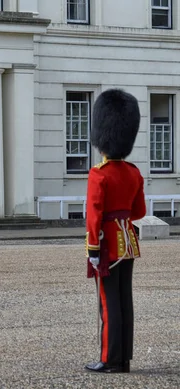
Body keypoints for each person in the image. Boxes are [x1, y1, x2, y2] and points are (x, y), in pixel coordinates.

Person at [84, 89, 146, 374]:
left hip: (107, 243)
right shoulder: (133, 172)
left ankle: (109, 359)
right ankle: (125, 359)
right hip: (129, 243)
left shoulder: (100, 173)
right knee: (125, 300)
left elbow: (94, 215)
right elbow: (139, 212)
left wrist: (93, 251)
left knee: (109, 303)